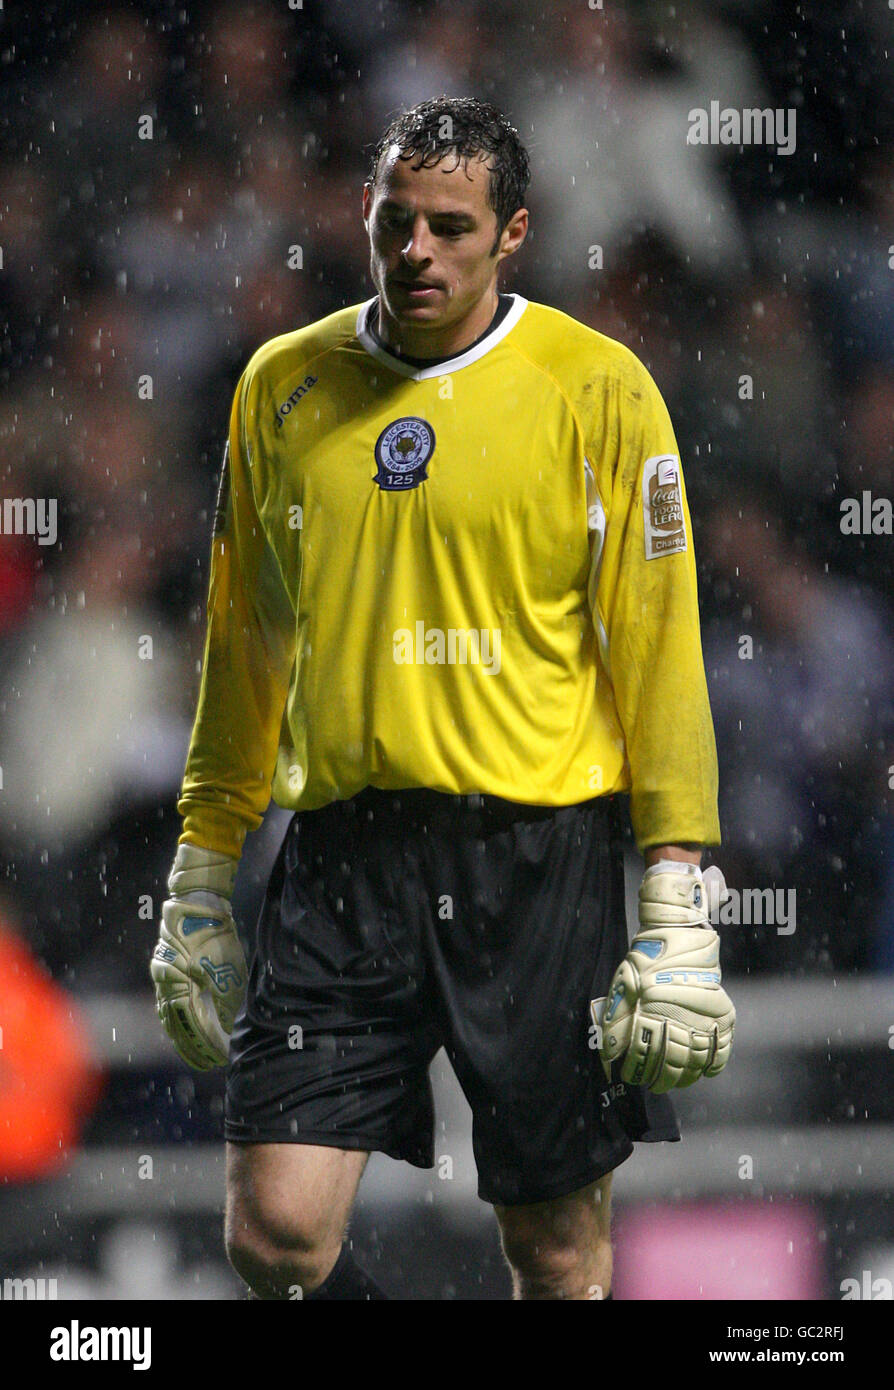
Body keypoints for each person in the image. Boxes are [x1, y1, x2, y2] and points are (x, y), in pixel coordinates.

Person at [151, 97, 734, 1302]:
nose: (416, 249)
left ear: (512, 232)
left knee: (556, 1251)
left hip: (538, 856)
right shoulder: (282, 387)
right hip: (344, 860)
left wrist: (678, 890)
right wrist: (202, 868)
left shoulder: (601, 390)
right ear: (367, 216)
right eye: (395, 220)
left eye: (451, 227)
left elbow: (659, 649)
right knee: (274, 1239)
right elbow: (244, 645)